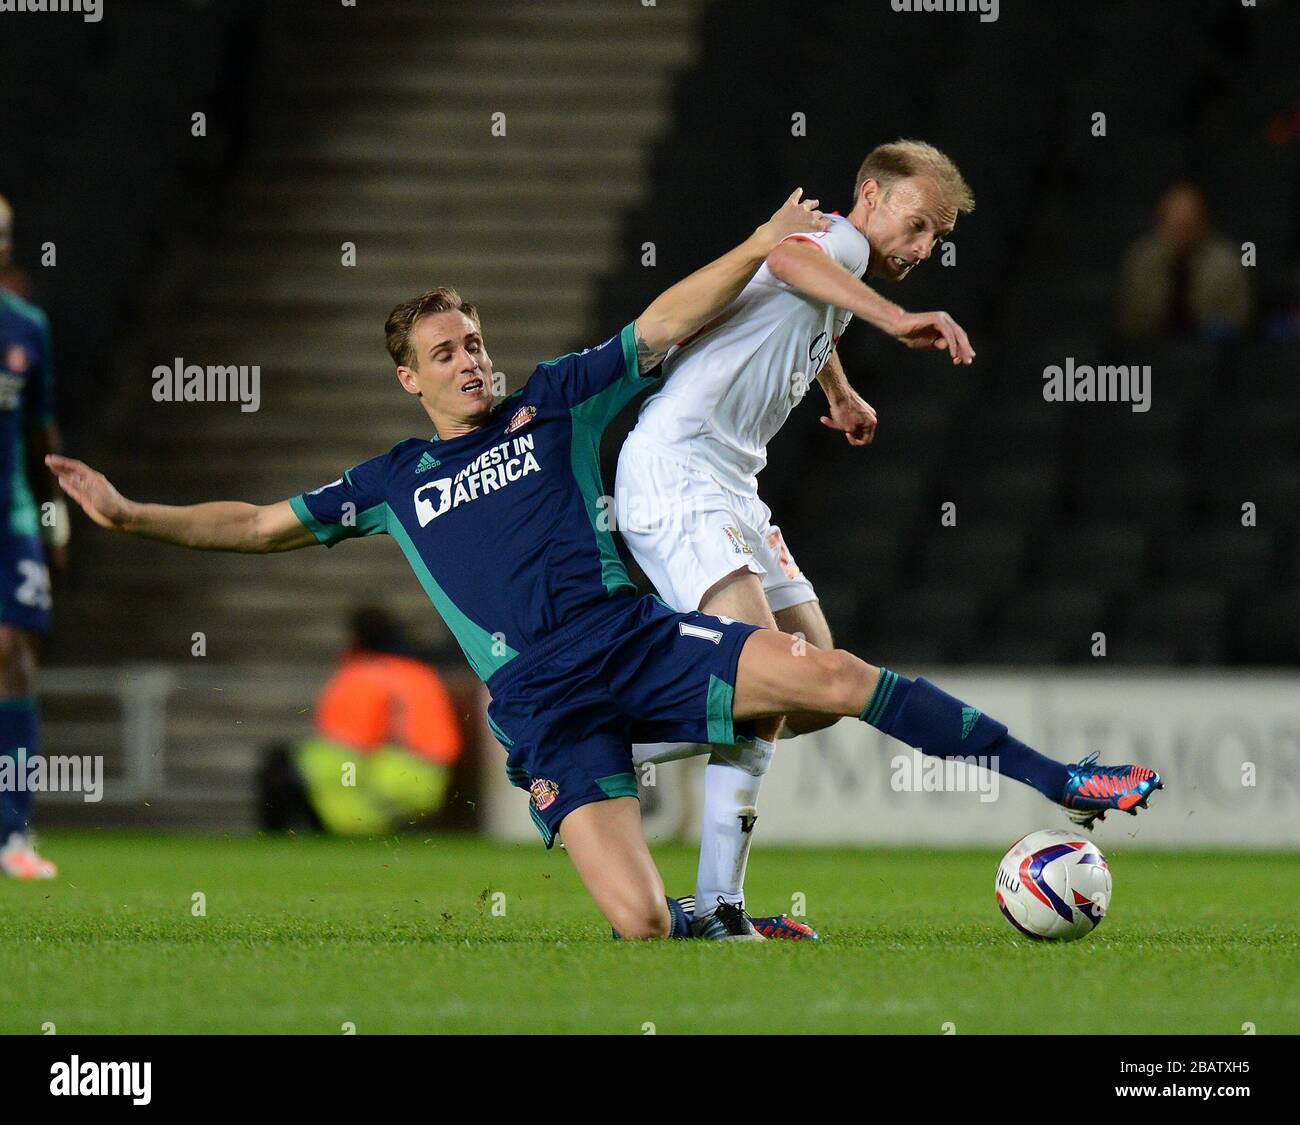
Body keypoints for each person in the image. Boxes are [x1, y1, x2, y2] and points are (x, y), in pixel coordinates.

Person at [46, 192, 1161, 939]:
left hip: (628, 643)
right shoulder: (390, 480)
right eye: (445, 352)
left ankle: (1061, 778)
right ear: (409, 381)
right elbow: (251, 524)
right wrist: (131, 514)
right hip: (537, 704)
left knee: (827, 677)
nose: (470, 359)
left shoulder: (554, 404)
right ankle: (710, 908)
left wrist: (756, 241)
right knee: (635, 924)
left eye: (474, 341)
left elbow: (661, 322)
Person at [617, 139, 975, 938]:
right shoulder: (839, 245)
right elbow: (785, 262)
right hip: (679, 470)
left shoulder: (842, 270)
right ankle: (717, 906)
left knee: (812, 680)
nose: (922, 250)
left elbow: (807, 311)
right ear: (872, 197)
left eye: (935, 242)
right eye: (917, 227)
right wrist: (896, 318)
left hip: (732, 484)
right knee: (771, 676)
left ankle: (608, 738)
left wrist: (840, 392)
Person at [258, 605, 464, 835]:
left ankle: (293, 838)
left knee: (280, 768)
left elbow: (351, 741)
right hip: (427, 783)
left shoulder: (365, 674)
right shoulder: (420, 673)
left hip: (383, 782)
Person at [0, 194, 67, 880]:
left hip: (10, 511)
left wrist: (57, 521)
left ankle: (13, 832)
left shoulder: (26, 327)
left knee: (13, 651)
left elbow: (43, 434)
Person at [1118, 180, 1252, 342]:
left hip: (1210, 351)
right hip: (1151, 349)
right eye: (1174, 225)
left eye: (1188, 224)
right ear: (1160, 223)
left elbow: (1238, 320)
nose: (1181, 233)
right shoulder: (1142, 259)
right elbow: (1132, 320)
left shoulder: (1228, 263)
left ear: (1203, 223)